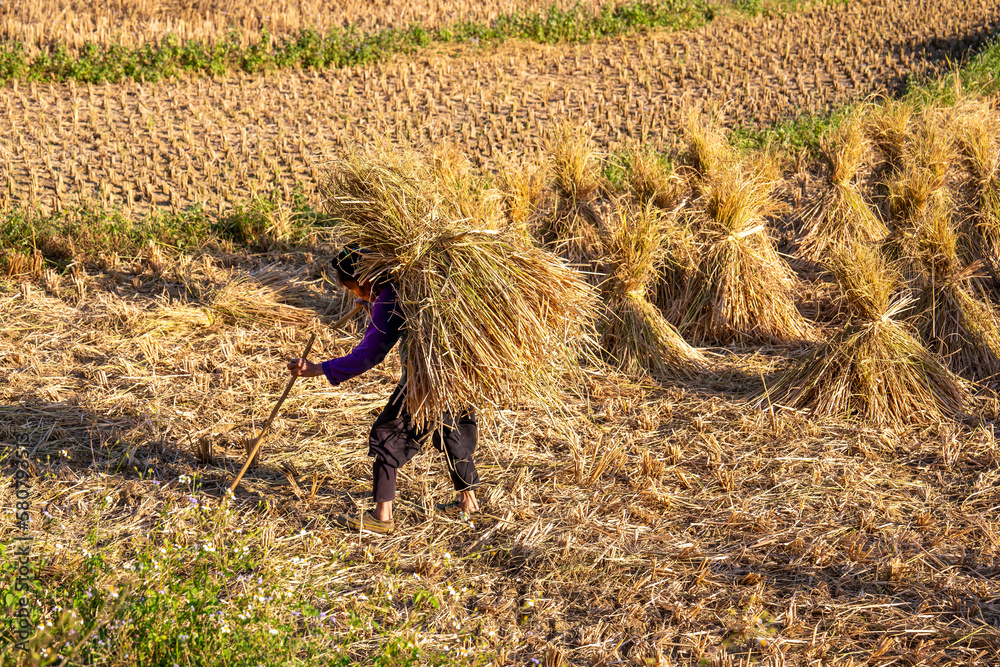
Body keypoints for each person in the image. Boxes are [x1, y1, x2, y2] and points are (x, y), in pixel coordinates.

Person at [287, 247, 480, 534]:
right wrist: (372, 308)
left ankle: (382, 515)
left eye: (356, 288)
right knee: (452, 432)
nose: (359, 296)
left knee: (387, 436)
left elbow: (369, 355)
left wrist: (319, 369)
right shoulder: (412, 284)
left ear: (365, 277)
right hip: (458, 372)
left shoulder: (390, 297)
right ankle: (469, 504)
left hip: (424, 380)